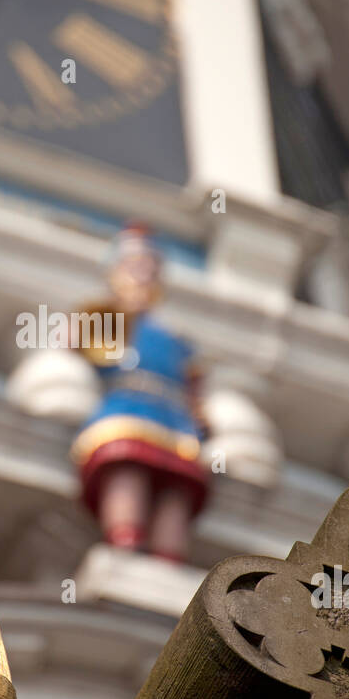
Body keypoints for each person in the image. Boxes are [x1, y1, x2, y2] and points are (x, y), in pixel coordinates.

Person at [71, 226, 209, 563]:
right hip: (128, 408)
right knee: (127, 468)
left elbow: (192, 381)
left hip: (175, 420)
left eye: (150, 269)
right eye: (134, 266)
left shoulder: (174, 336)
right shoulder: (106, 319)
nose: (143, 275)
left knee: (177, 485)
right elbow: (83, 348)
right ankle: (124, 540)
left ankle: (167, 558)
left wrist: (200, 414)